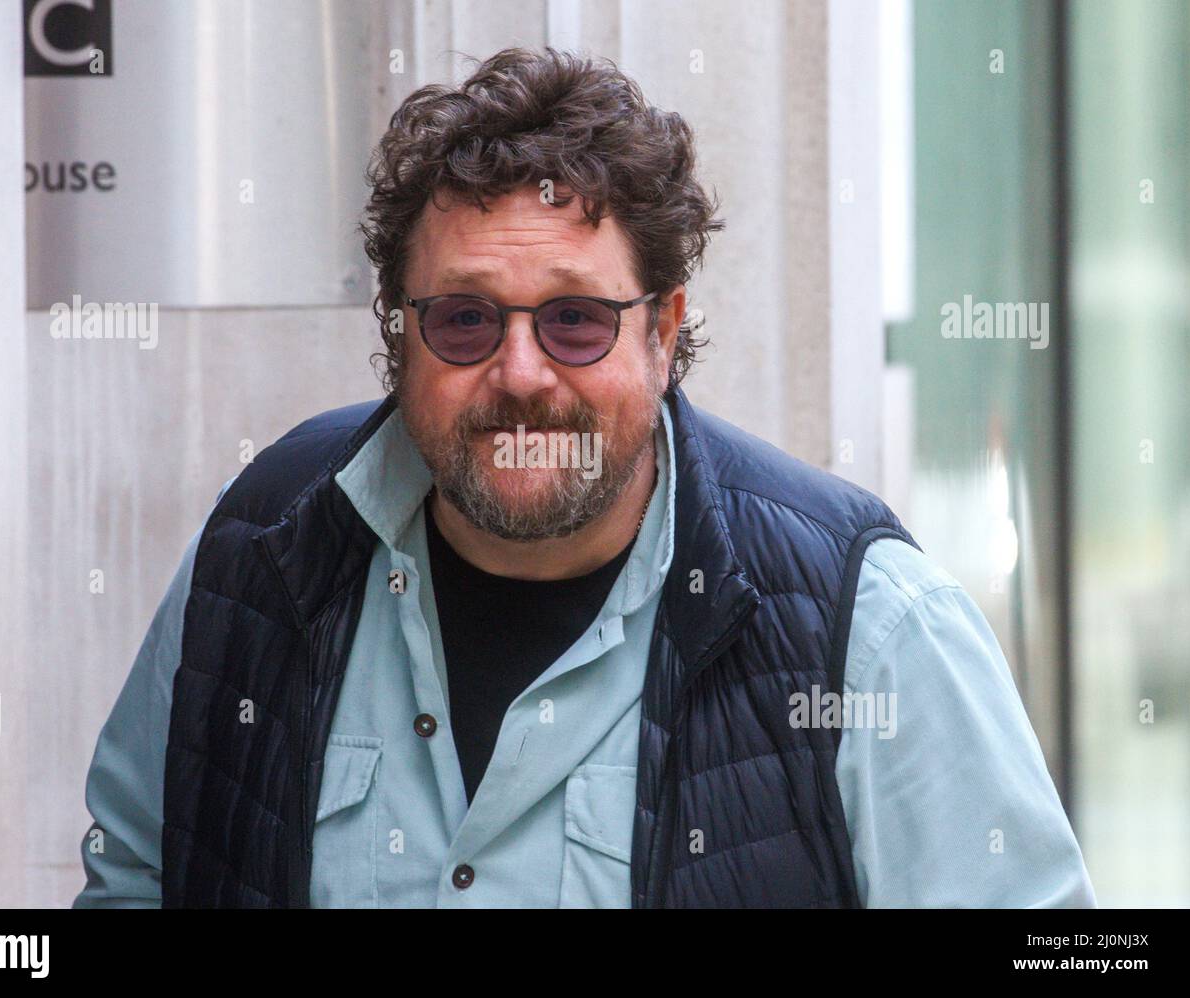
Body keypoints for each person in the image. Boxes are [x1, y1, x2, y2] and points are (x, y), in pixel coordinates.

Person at [75, 47, 1094, 908]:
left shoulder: (866, 628)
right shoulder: (261, 549)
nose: (521, 375)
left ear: (663, 329)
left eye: (575, 319)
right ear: (400, 331)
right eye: (466, 317)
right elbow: (135, 877)